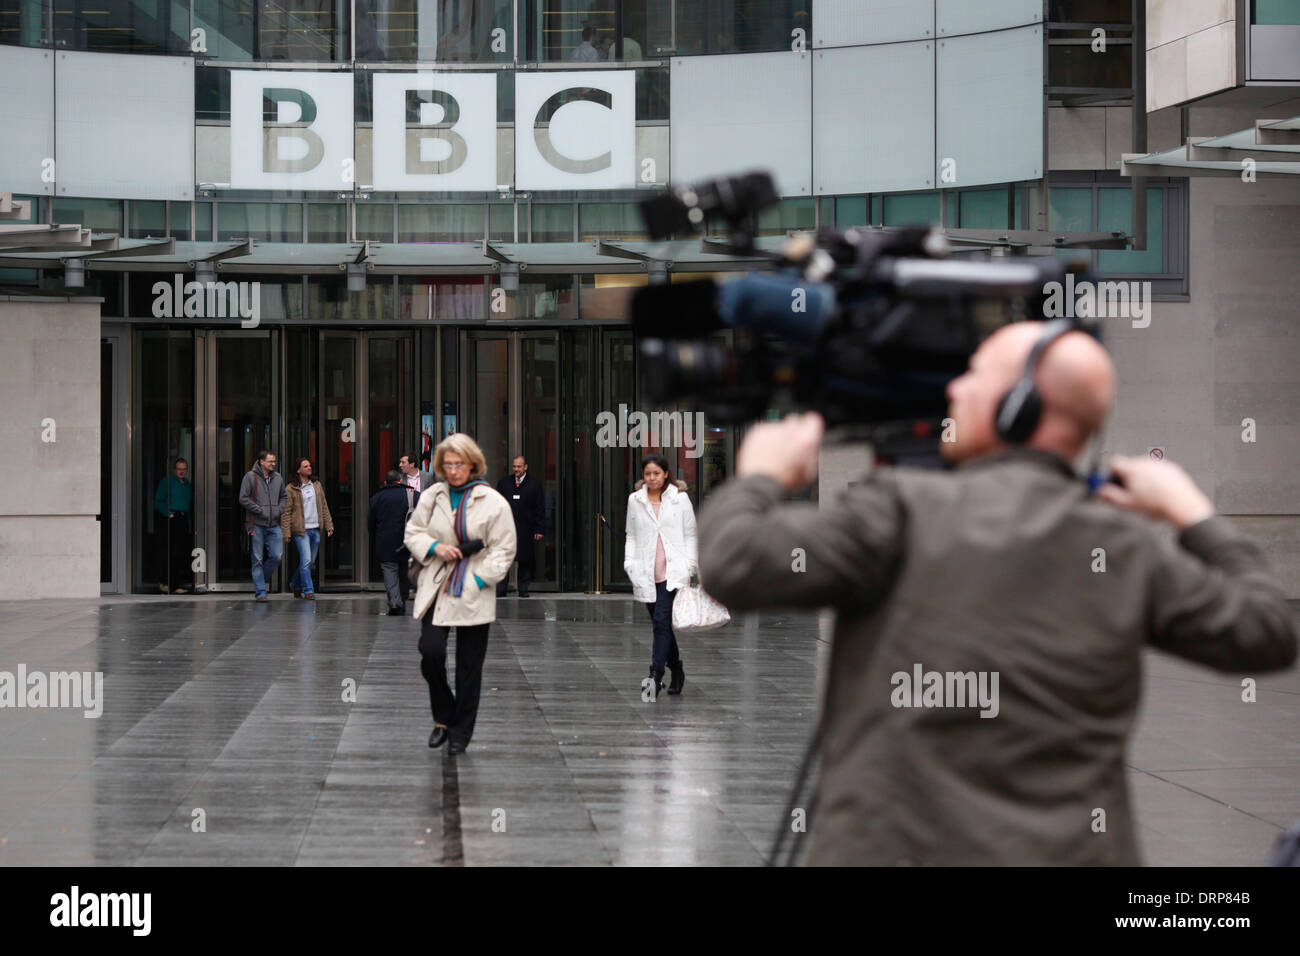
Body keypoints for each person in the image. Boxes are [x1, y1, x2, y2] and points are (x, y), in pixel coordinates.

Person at [698, 320, 1298, 866]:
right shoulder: (1124, 547)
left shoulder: (902, 510)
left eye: (976, 376)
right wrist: (1190, 511)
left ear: (1020, 407)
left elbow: (734, 561)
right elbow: (1267, 631)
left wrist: (762, 477)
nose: (953, 391)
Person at [405, 433, 516, 755]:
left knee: (470, 667)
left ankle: (460, 733)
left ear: (472, 464)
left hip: (471, 587)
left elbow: (504, 547)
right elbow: (413, 532)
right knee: (431, 651)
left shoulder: (492, 500)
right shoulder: (432, 495)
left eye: (460, 464)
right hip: (438, 583)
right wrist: (435, 546)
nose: (453, 470)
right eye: (448, 464)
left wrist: (480, 581)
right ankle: (444, 714)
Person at [624, 453, 697, 701]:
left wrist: (690, 564)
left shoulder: (680, 499)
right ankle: (677, 669)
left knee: (661, 621)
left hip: (672, 572)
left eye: (656, 473)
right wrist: (629, 564)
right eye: (647, 474)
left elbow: (691, 535)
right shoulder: (635, 500)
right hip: (646, 572)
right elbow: (631, 535)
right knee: (660, 624)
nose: (652, 478)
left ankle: (655, 675)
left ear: (666, 474)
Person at [281, 457, 334, 601]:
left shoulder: (316, 485)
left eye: (309, 465)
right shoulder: (291, 488)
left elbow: (324, 506)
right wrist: (286, 532)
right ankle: (308, 590)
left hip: (315, 528)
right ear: (298, 470)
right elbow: (286, 512)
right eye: (305, 466)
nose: (309, 468)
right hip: (300, 530)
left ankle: (295, 584)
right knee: (306, 560)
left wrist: (329, 525)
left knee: (310, 562)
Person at [238, 450, 288, 603]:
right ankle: (261, 592)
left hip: (274, 524)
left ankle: (259, 581)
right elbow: (243, 498)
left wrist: (279, 510)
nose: (273, 463)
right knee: (257, 559)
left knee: (276, 556)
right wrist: (260, 510)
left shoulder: (278, 478)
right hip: (257, 524)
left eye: (274, 461)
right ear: (261, 462)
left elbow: (284, 497)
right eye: (270, 461)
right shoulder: (250, 477)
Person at [495, 455, 545, 598]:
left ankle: (523, 589)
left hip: (526, 528)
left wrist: (539, 529)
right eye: (514, 466)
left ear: (525, 467)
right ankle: (501, 589)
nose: (516, 469)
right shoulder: (504, 483)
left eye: (519, 467)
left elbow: (539, 509)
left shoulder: (534, 485)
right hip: (506, 529)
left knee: (525, 560)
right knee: (504, 559)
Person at [369, 469, 416, 616]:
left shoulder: (377, 498)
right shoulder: (413, 495)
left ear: (385, 483)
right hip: (408, 541)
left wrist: (375, 537)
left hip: (385, 542)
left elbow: (371, 523)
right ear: (400, 481)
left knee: (390, 572)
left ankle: (395, 603)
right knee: (404, 571)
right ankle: (402, 598)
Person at [153, 457, 193, 594]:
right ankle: (170, 584)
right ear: (174, 470)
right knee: (172, 553)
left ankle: (175, 583)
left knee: (181, 553)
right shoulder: (167, 482)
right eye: (179, 469)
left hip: (183, 519)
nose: (181, 472)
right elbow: (158, 501)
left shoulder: (187, 484)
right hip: (173, 519)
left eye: (184, 469)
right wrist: (168, 513)